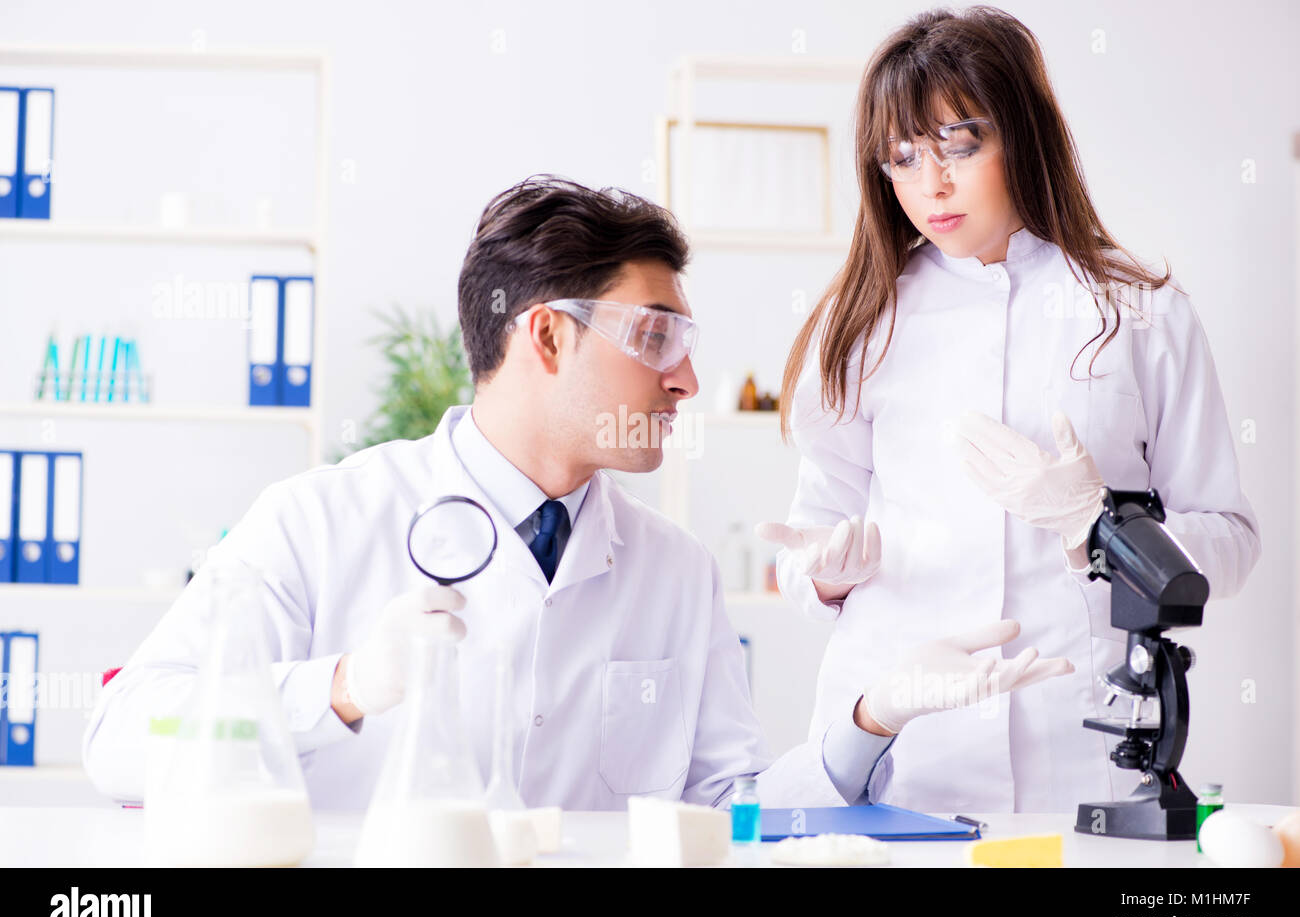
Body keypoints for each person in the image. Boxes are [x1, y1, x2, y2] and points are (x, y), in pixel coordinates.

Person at [84, 176, 1071, 812]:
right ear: (546, 337)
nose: (684, 381)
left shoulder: (674, 574)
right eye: (656, 339)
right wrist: (339, 690)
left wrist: (871, 717)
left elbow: (729, 814)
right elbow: (120, 743)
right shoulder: (316, 521)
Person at [759, 7, 1261, 814]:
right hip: (902, 757)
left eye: (961, 142)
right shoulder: (862, 320)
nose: (933, 183)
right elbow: (808, 533)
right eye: (903, 156)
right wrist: (822, 574)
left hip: (1079, 758)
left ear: (1024, 134)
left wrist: (1097, 529)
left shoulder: (1139, 313)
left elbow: (1229, 544)